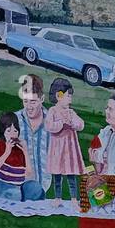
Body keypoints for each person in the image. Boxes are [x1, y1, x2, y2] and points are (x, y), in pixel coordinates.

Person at [44, 77, 85, 205]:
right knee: (57, 175)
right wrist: (61, 123)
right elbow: (49, 126)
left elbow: (81, 124)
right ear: (59, 95)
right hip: (57, 149)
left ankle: (73, 198)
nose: (70, 99)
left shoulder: (71, 112)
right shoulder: (53, 111)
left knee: (71, 174)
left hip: (69, 149)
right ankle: (57, 198)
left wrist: (73, 123)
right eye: (68, 96)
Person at [13, 74, 50, 201]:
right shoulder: (14, 120)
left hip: (44, 186)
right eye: (25, 101)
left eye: (33, 101)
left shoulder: (53, 122)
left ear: (42, 98)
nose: (29, 106)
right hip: (16, 184)